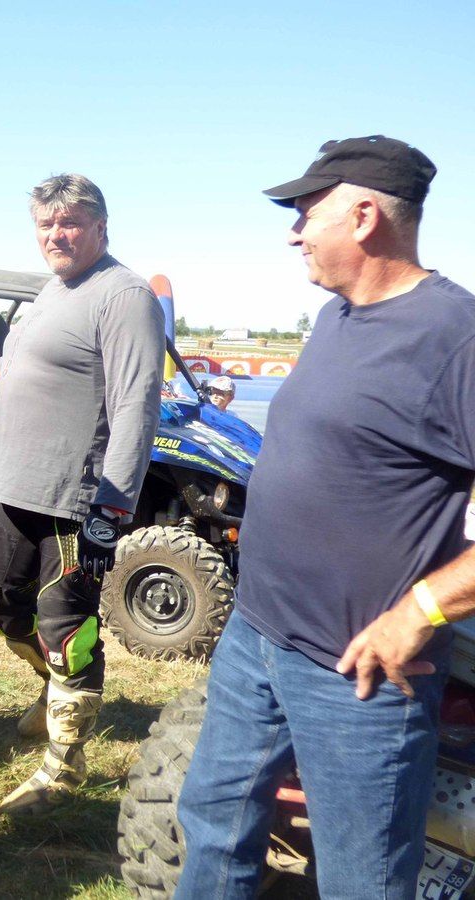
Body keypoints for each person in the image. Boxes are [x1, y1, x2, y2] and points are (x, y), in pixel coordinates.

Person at [176, 136, 468, 899]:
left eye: (307, 212)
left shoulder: (456, 338)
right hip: (257, 638)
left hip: (357, 675)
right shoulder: (338, 316)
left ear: (364, 216)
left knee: (360, 882)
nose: (293, 232)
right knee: (211, 823)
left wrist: (421, 610)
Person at [0, 173, 165, 814]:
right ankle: (53, 687)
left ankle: (64, 767)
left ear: (100, 227)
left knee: (67, 628)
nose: (56, 234)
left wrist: (112, 508)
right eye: (46, 224)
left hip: (73, 496)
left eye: (70, 222)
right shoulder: (51, 290)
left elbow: (137, 405)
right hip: (14, 486)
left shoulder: (125, 295)